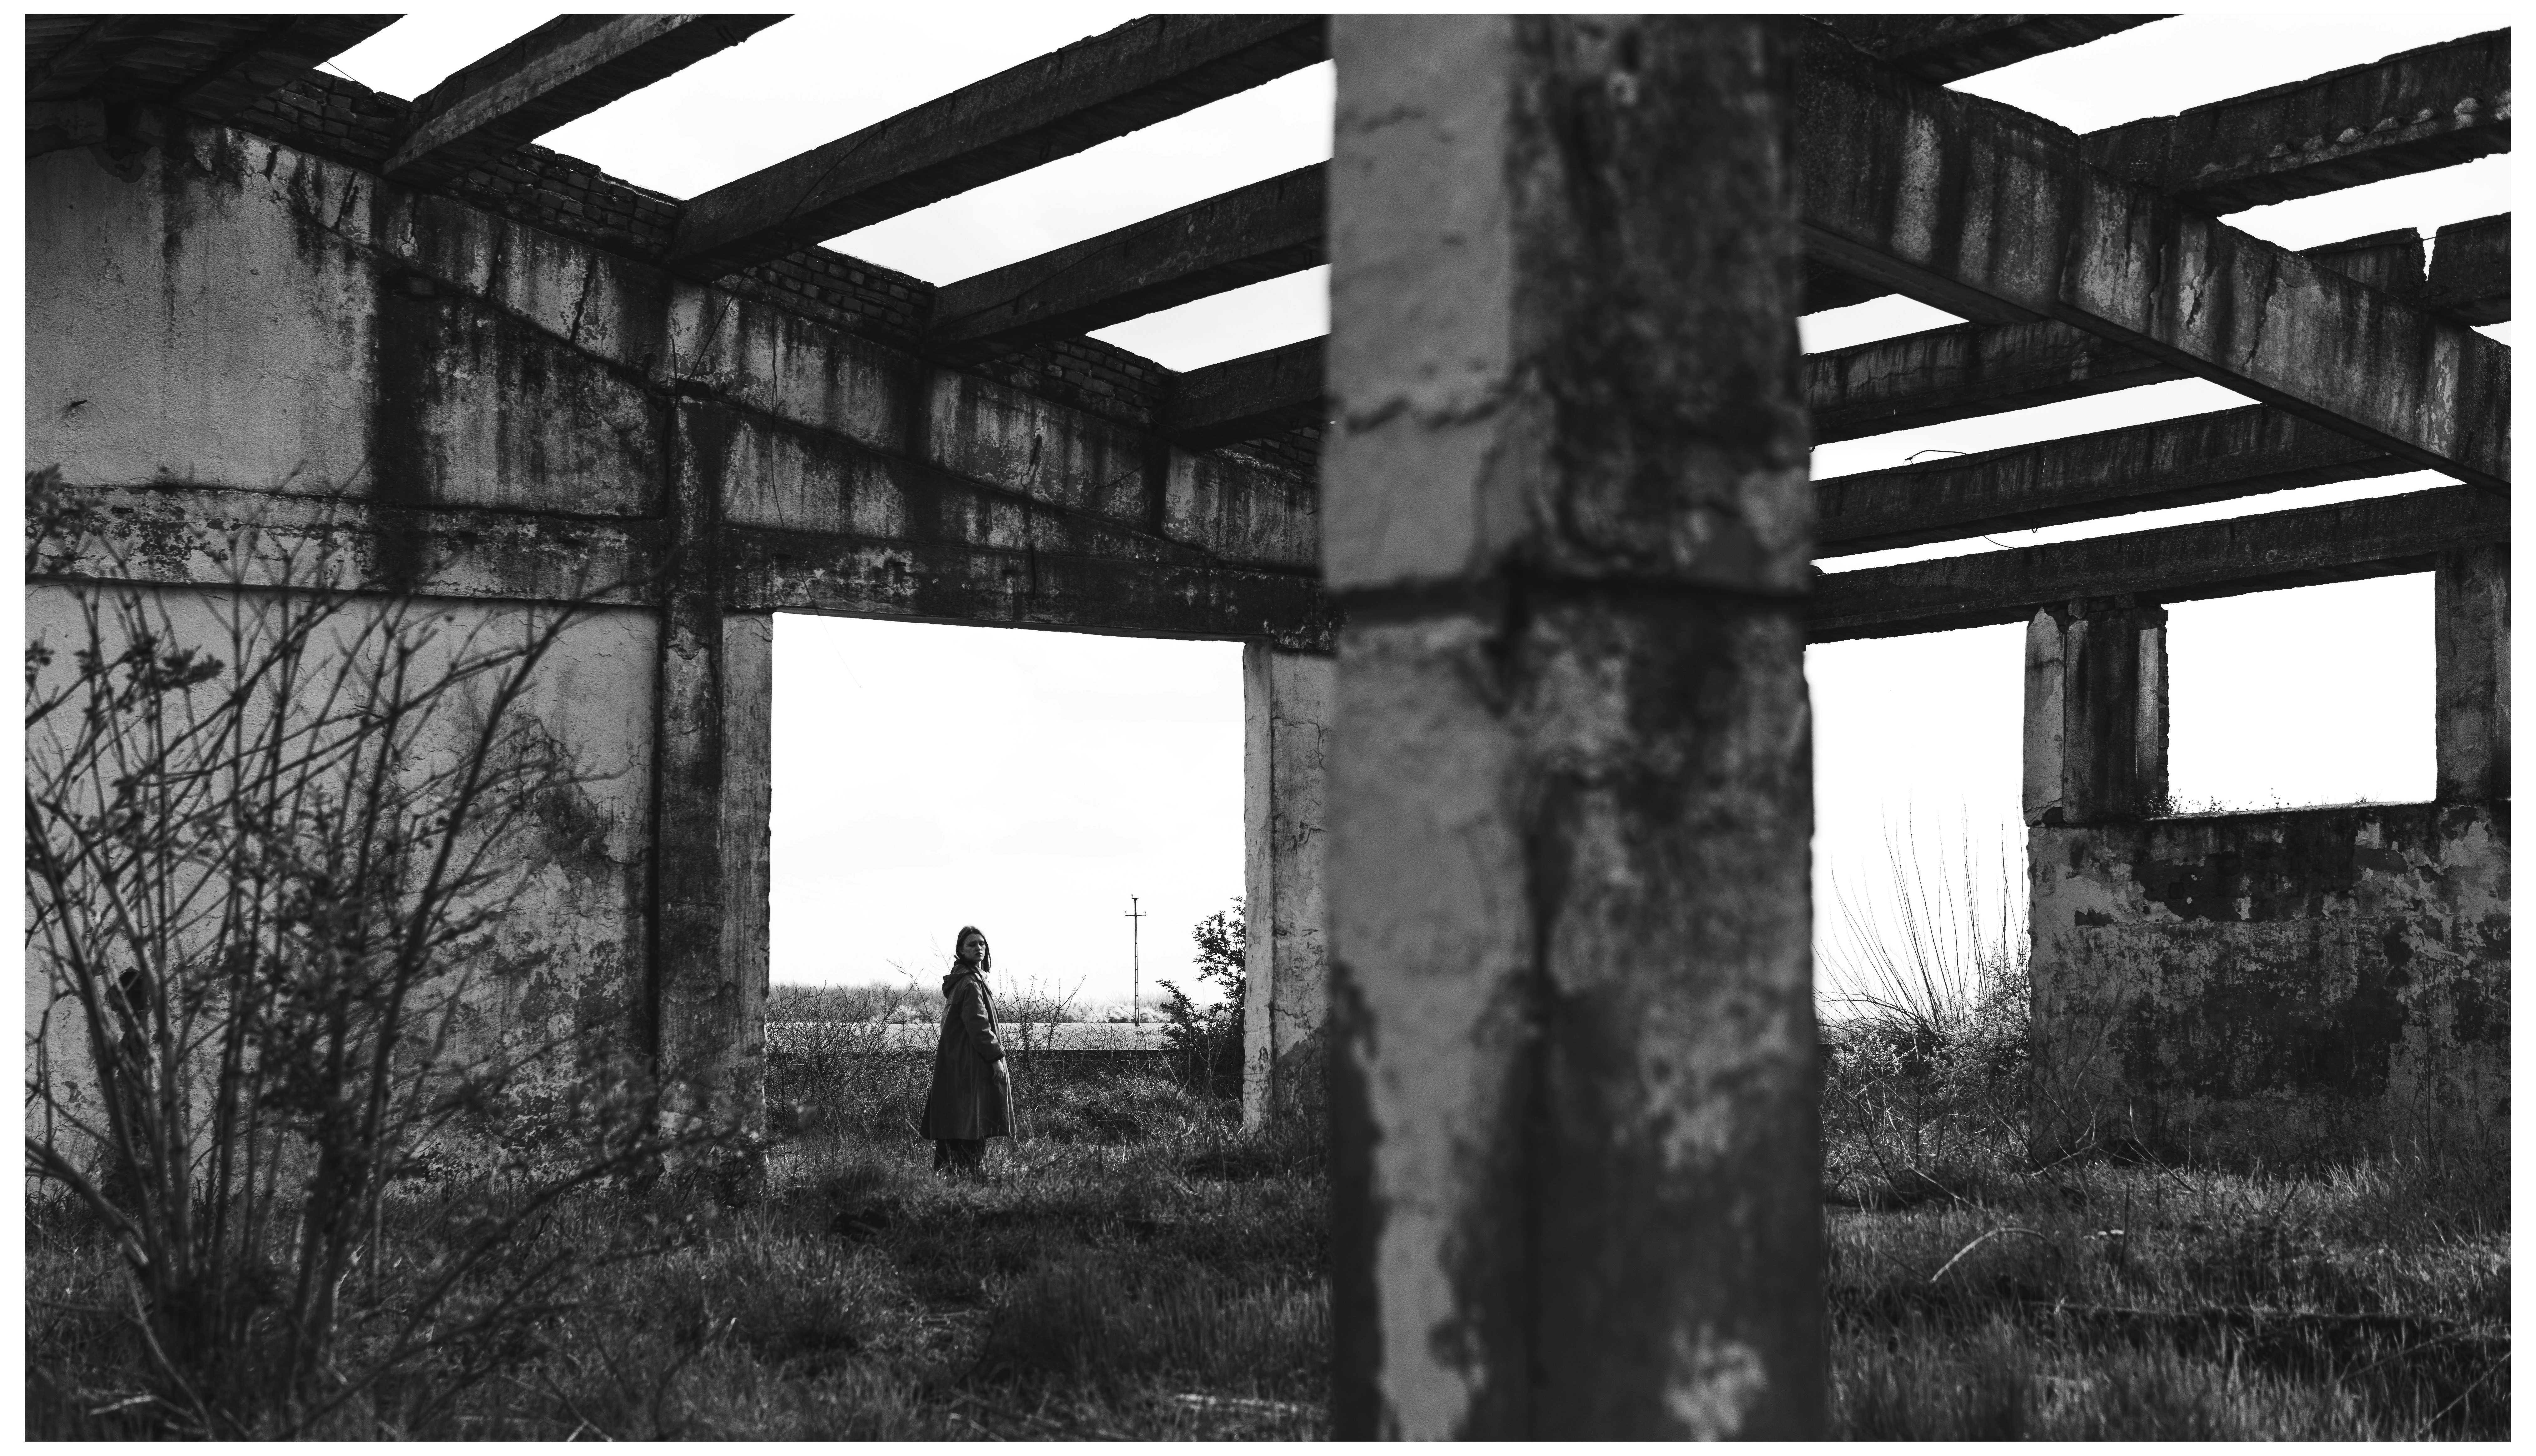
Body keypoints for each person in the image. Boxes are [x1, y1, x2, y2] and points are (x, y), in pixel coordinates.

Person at [918, 925, 1013, 1175]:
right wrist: (995, 1057)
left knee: (956, 1120)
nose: (979, 948)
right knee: (974, 1120)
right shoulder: (970, 983)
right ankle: (969, 1176)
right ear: (960, 950)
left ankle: (946, 1175)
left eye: (982, 944)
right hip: (973, 1062)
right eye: (972, 944)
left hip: (958, 1062)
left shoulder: (963, 980)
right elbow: (979, 1025)